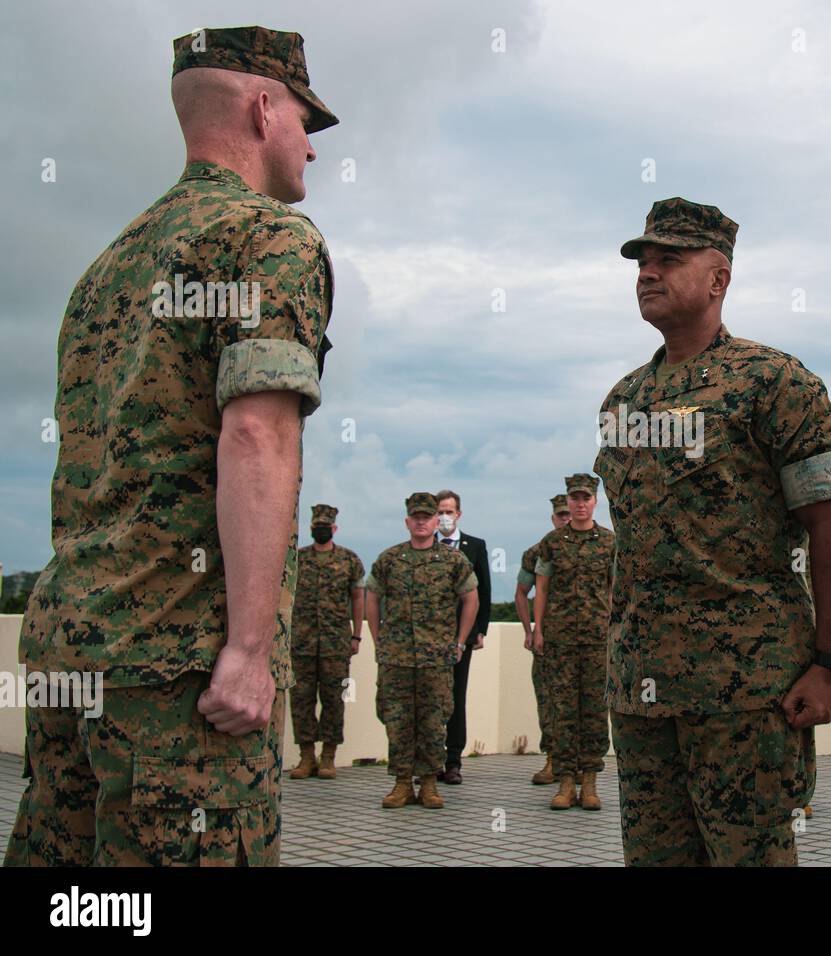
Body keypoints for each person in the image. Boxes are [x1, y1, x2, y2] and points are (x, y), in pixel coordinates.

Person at [4, 25, 337, 867]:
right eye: (306, 121)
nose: (312, 148)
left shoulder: (108, 264)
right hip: (177, 675)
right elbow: (257, 432)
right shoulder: (268, 239)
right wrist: (251, 651)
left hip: (69, 650)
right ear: (264, 109)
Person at [594, 198, 831, 865]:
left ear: (719, 278)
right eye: (642, 262)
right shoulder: (623, 401)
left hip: (747, 689)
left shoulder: (775, 383)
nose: (648, 274)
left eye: (669, 260)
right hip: (642, 688)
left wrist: (830, 663)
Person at [365, 493, 479, 809]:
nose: (421, 522)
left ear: (436, 522)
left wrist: (459, 641)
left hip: (436, 658)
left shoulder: (453, 560)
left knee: (433, 721)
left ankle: (429, 783)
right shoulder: (389, 559)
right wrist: (378, 639)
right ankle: (402, 784)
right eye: (415, 517)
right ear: (407, 522)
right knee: (397, 720)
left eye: (427, 517)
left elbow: (471, 597)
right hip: (397, 657)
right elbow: (371, 596)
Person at [533, 475, 616, 810]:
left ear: (595, 502)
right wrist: (539, 630)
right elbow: (542, 588)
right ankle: (566, 783)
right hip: (560, 639)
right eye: (574, 498)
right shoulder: (552, 543)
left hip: (597, 638)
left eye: (585, 498)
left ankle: (591, 783)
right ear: (567, 501)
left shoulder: (610, 542)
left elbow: (615, 590)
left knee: (595, 710)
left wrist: (615, 629)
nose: (580, 504)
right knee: (563, 710)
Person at [288, 504, 365, 781]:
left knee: (334, 699)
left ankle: (328, 756)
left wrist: (356, 635)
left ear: (334, 529)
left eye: (326, 527)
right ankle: (306, 756)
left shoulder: (349, 560)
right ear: (311, 529)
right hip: (302, 642)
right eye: (317, 527)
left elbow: (358, 598)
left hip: (335, 642)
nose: (321, 530)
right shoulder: (297, 559)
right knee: (301, 699)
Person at [430, 489, 492, 785]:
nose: (444, 517)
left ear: (459, 514)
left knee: (455, 697)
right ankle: (429, 760)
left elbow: (484, 590)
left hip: (461, 634)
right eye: (439, 511)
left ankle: (453, 760)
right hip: (428, 636)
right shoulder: (424, 544)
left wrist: (480, 629)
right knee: (429, 699)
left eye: (449, 511)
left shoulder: (474, 546)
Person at [515, 493, 571, 785]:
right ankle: (553, 760)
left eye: (569, 514)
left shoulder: (602, 544)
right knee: (549, 701)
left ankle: (581, 769)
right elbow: (522, 593)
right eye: (561, 515)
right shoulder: (538, 551)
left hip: (587, 639)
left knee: (585, 705)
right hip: (548, 640)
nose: (566, 519)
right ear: (553, 518)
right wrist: (529, 629)